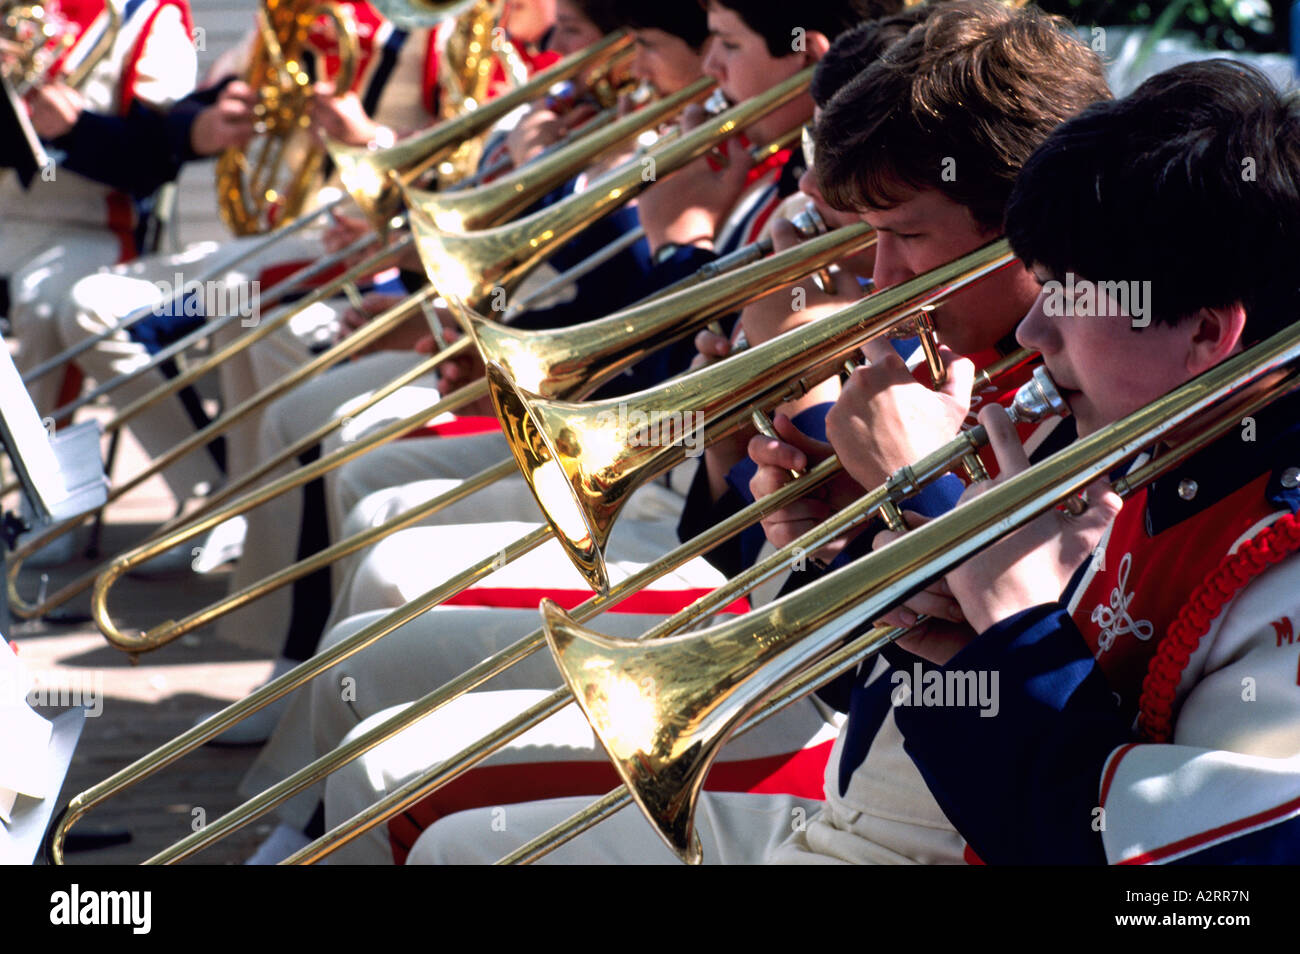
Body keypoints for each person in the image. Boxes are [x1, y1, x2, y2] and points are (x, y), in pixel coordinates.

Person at [385, 0, 1115, 865]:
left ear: (1023, 233)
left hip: (937, 820)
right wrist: (789, 519)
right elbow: (868, 662)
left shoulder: (1090, 391)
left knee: (430, 801)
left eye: (905, 237)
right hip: (868, 772)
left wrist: (909, 479)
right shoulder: (964, 349)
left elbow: (1050, 694)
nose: (881, 276)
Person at [239, 0, 895, 865]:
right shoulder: (785, 194)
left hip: (809, 688)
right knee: (374, 511)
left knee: (389, 597)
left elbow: (823, 586)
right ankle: (291, 806)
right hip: (702, 527)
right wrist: (732, 448)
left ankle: (297, 815)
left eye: (726, 48)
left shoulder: (812, 217)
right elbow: (697, 449)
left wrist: (676, 247)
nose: (708, 73)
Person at [885, 59, 1300, 864]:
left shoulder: (1281, 558)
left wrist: (1017, 631)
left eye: (1067, 294)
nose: (1034, 332)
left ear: (1209, 334)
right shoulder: (1179, 454)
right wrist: (974, 658)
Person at [2, 0, 197, 415]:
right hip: (6, 220)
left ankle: (38, 470)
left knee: (42, 309)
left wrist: (77, 130)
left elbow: (158, 157)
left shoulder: (149, 16)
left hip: (90, 229)